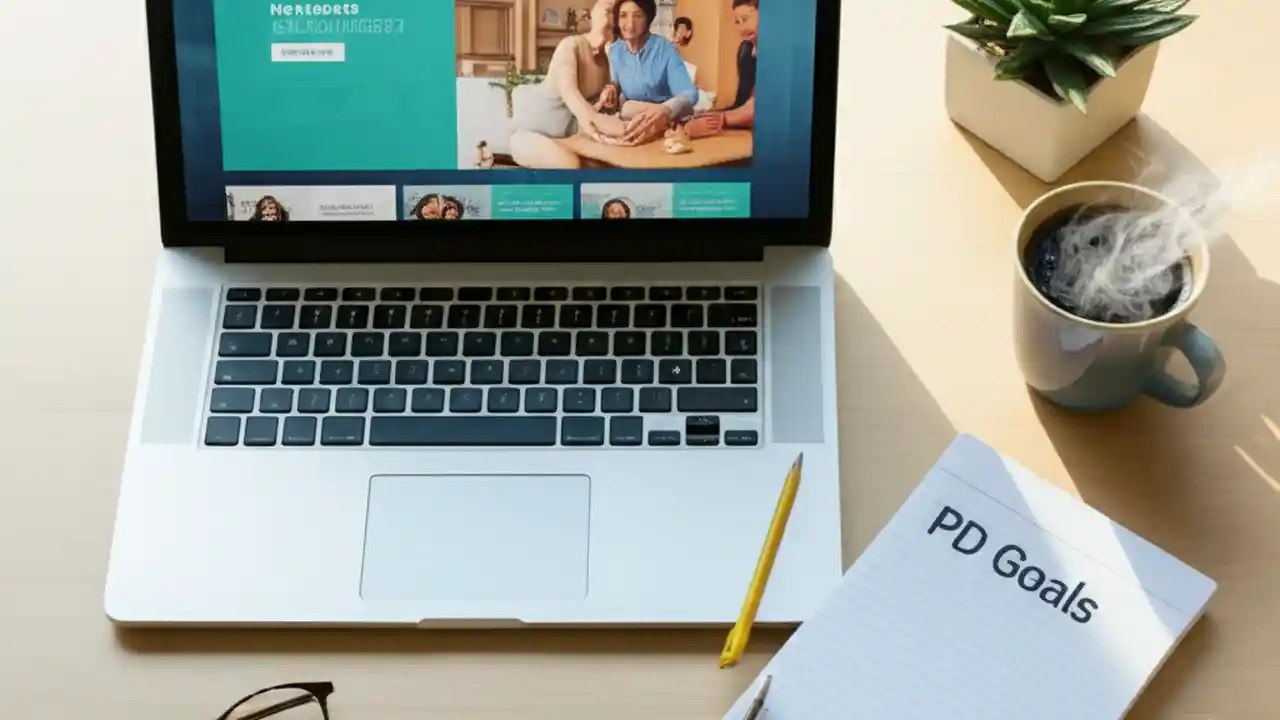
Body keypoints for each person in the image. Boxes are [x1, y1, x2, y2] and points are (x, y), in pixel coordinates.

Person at [509, 0, 623, 169]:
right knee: (570, 165)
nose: (610, 17)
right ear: (592, 14)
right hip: (531, 134)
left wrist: (605, 99)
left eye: (617, 13)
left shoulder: (604, 60)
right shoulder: (571, 45)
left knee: (602, 163)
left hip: (567, 137)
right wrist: (597, 120)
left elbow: (593, 105)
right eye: (607, 9)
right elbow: (570, 93)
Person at [607, 0, 698, 146]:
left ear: (648, 18)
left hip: (667, 121)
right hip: (635, 121)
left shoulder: (666, 49)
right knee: (627, 108)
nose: (629, 25)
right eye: (623, 15)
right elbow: (615, 83)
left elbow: (689, 94)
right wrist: (611, 88)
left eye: (638, 16)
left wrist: (664, 110)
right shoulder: (614, 51)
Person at [685, 0, 758, 139]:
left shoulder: (780, 55)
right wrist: (706, 117)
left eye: (745, 19)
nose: (742, 28)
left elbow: (762, 108)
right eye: (737, 22)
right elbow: (742, 103)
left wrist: (719, 119)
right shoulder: (746, 51)